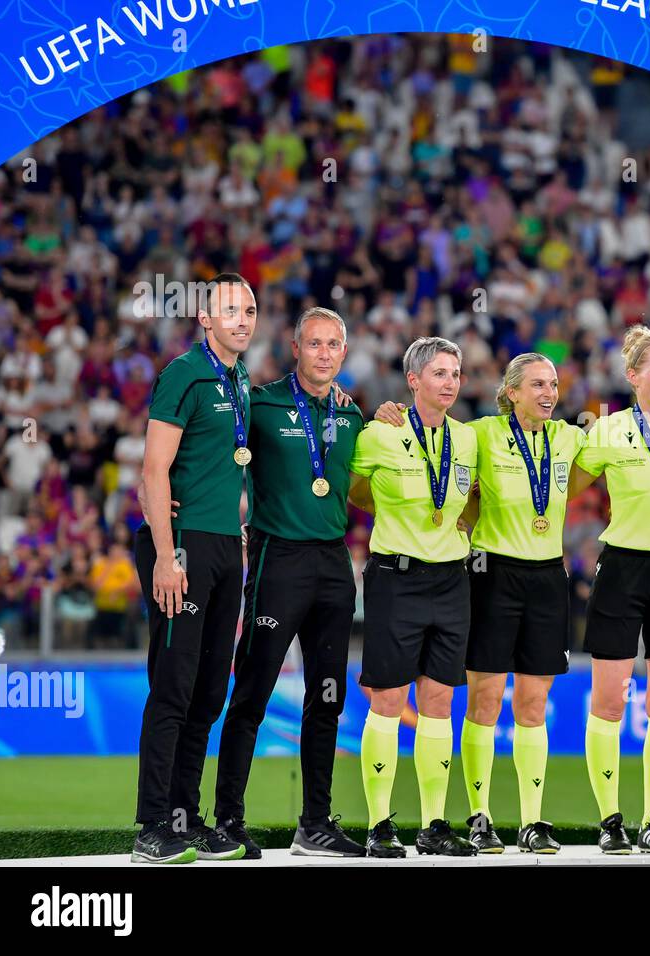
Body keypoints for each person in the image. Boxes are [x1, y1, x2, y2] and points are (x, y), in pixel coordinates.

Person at [374, 352, 586, 853]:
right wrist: (391, 412)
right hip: (491, 576)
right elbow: (441, 465)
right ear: (511, 391)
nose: (549, 393)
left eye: (553, 384)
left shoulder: (570, 436)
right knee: (486, 701)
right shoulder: (480, 435)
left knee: (533, 705)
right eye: (537, 384)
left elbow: (610, 447)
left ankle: (533, 823)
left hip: (548, 578)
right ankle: (479, 816)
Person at [208, 307, 366, 858]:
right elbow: (216, 448)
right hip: (278, 558)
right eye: (314, 343)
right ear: (295, 348)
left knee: (327, 699)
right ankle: (226, 820)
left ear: (344, 354)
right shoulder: (262, 401)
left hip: (333, 565)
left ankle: (315, 824)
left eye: (333, 345)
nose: (324, 353)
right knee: (252, 694)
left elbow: (365, 482)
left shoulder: (352, 416)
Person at [132, 273, 256, 864]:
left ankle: (186, 818)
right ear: (206, 318)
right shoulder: (185, 373)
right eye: (230, 309)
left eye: (250, 309)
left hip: (225, 549)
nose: (243, 318)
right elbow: (154, 471)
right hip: (180, 547)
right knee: (174, 689)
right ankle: (151, 826)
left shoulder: (240, 381)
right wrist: (164, 555)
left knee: (209, 693)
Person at [570, 325, 650, 854]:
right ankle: (610, 821)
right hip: (622, 568)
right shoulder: (606, 430)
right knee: (608, 701)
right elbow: (564, 487)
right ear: (633, 376)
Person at [349, 337, 479, 857]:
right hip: (395, 577)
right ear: (413, 380)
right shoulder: (379, 433)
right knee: (386, 700)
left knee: (440, 702)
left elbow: (471, 498)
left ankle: (433, 825)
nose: (450, 382)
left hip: (451, 579)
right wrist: (388, 513)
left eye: (456, 374)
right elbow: (355, 491)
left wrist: (463, 530)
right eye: (440, 373)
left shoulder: (467, 440)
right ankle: (380, 825)